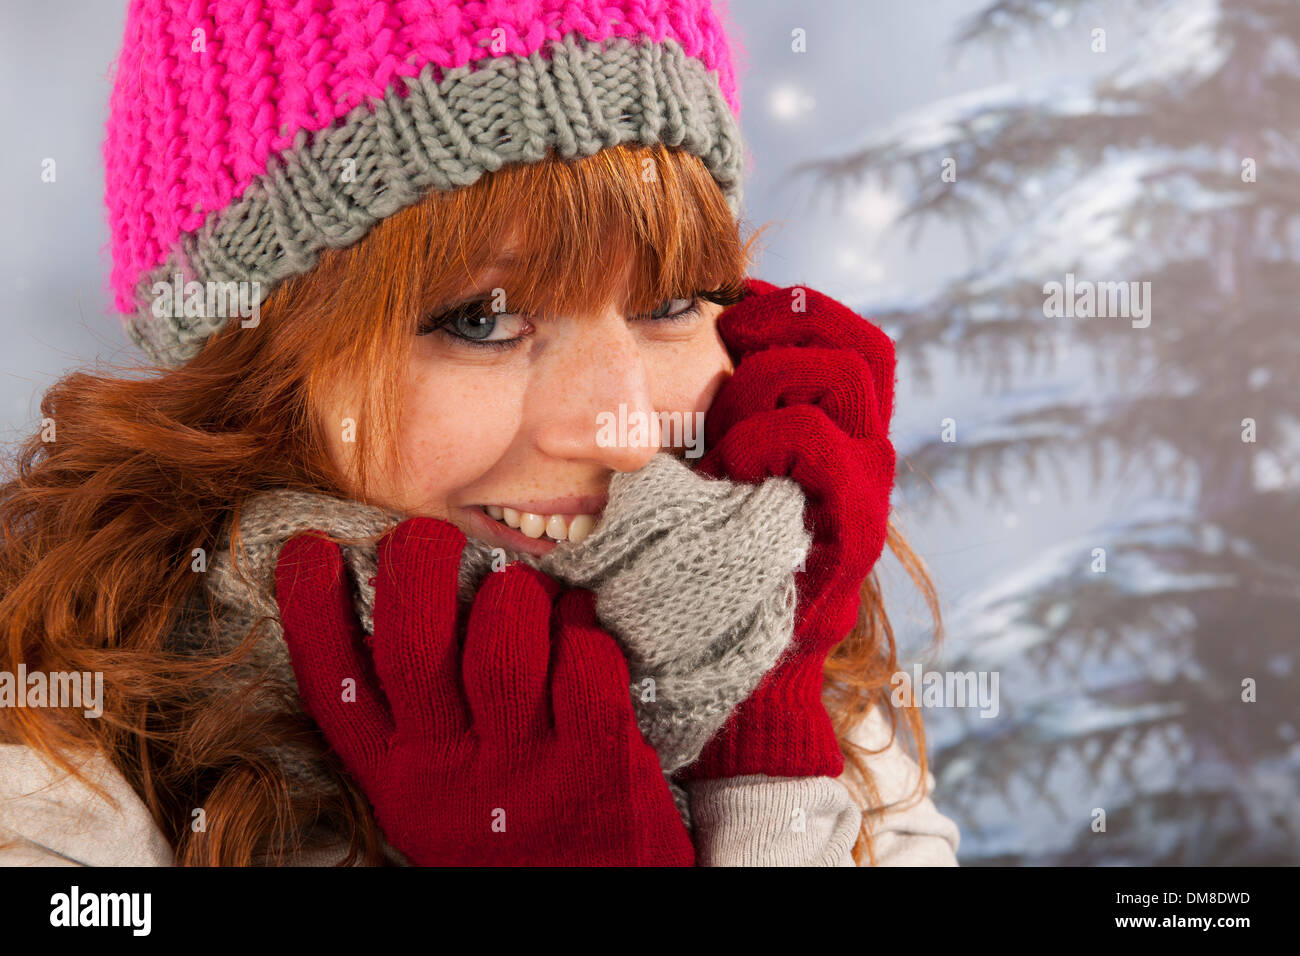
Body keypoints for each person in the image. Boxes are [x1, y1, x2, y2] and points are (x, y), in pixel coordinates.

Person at [0, 0, 959, 866]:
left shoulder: (790, 675)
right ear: (251, 373)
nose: (626, 435)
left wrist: (764, 763)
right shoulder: (53, 767)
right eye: (481, 321)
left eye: (669, 300)